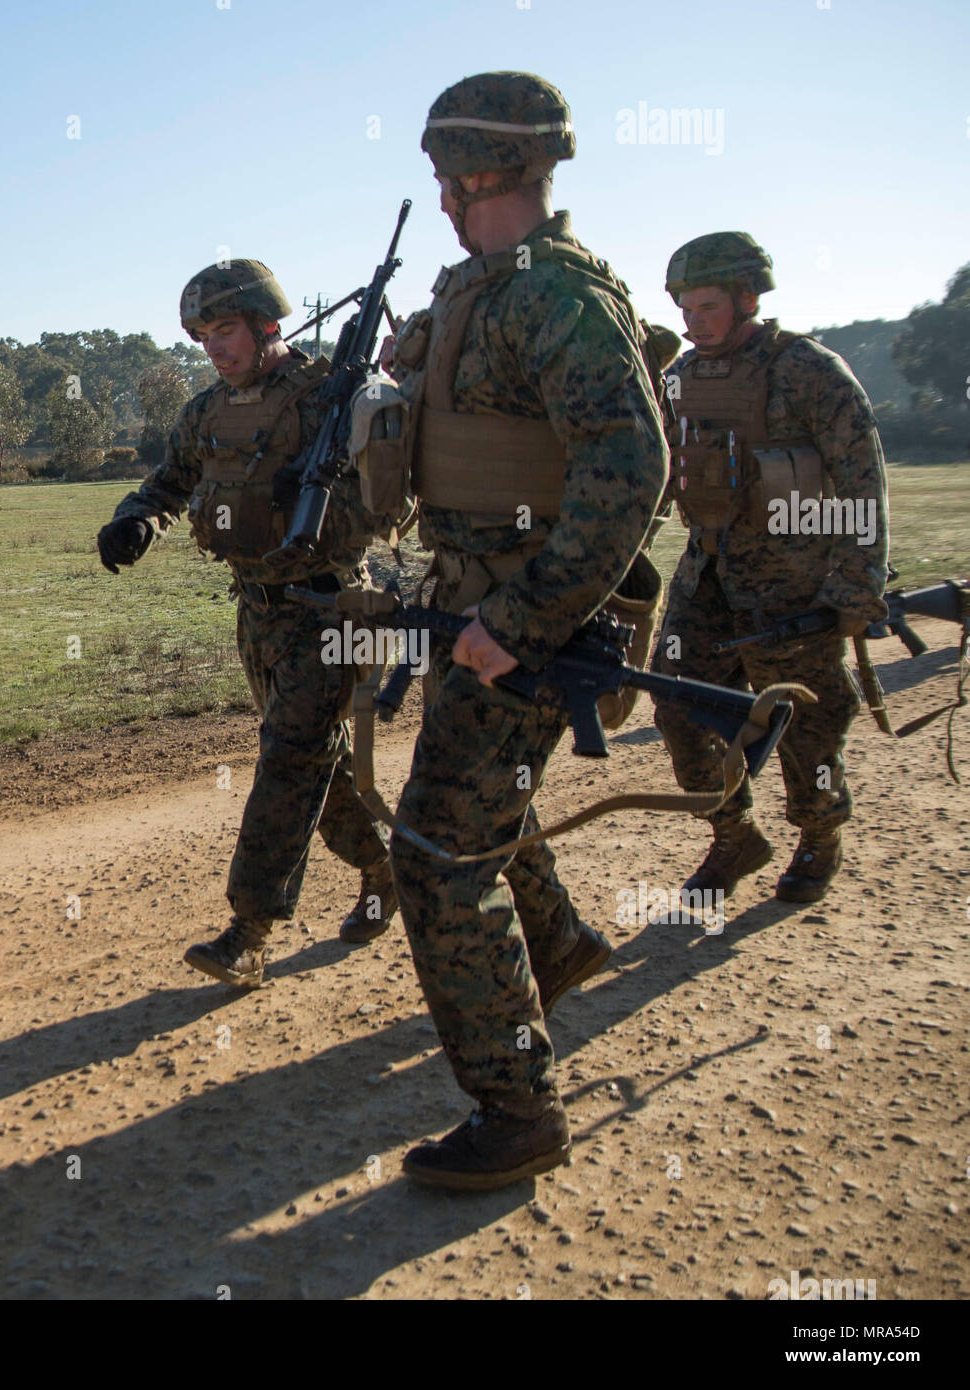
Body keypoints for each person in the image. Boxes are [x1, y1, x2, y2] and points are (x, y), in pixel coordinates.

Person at [383, 72, 668, 1189]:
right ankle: (555, 945)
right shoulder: (489, 289)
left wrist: (524, 614)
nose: (440, 198)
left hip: (532, 626)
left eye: (443, 178)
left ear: (468, 177)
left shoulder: (553, 298)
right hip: (485, 606)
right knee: (480, 812)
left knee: (437, 849)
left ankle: (517, 1109)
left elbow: (630, 462)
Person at [96, 260, 394, 987]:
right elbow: (169, 482)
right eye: (200, 335)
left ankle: (248, 932)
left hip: (329, 612)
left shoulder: (335, 397)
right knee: (315, 776)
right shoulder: (206, 411)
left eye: (223, 329)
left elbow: (392, 508)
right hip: (256, 613)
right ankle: (388, 867)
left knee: (288, 761)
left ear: (268, 324)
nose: (212, 348)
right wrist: (134, 520)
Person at [652, 232, 889, 904]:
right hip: (706, 577)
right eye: (683, 308)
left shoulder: (809, 371)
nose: (690, 321)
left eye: (704, 306)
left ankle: (819, 836)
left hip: (792, 589)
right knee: (674, 705)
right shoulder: (679, 380)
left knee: (802, 727)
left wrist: (853, 584)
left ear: (747, 299)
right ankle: (733, 833)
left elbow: (861, 480)